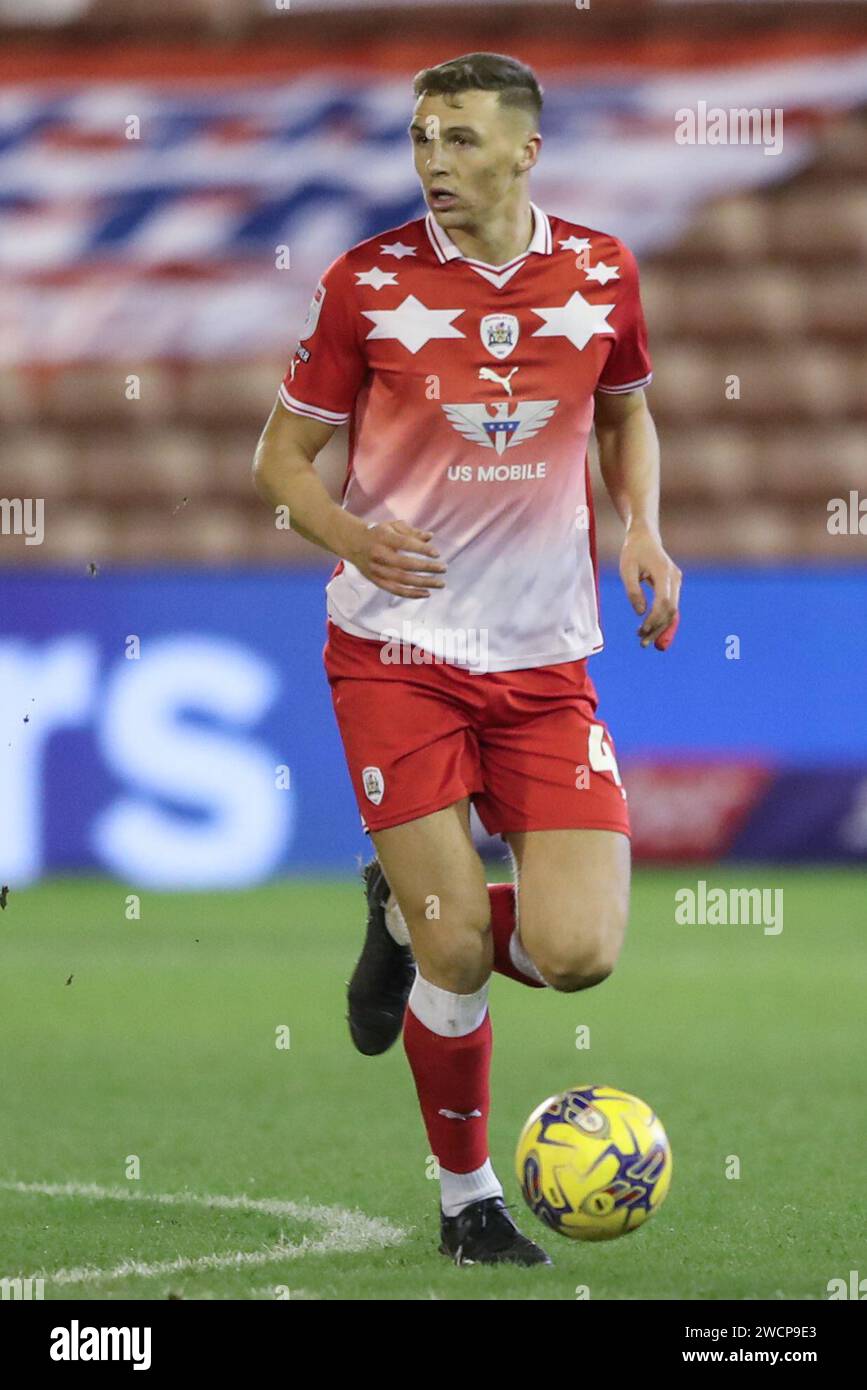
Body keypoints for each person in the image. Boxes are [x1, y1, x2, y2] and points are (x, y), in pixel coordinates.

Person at [253, 51, 681, 1267]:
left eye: (458, 140)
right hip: (398, 654)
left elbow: (625, 407)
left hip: (546, 661)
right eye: (421, 139)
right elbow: (280, 466)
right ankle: (466, 1201)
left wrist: (642, 526)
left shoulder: (601, 268)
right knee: (456, 954)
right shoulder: (367, 283)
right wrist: (351, 537)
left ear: (525, 151)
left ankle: (403, 905)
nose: (433, 161)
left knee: (578, 953)